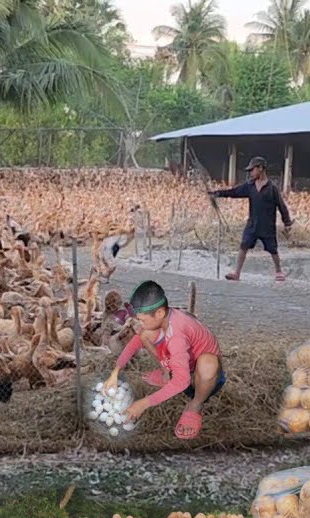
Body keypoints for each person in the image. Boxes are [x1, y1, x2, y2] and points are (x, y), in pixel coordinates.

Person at [105, 281, 224, 440]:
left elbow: (182, 382)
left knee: (208, 364)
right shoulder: (162, 320)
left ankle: (195, 405)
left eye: (143, 320)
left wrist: (143, 403)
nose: (140, 324)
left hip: (204, 375)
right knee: (144, 335)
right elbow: (134, 344)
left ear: (159, 313)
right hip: (183, 362)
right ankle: (167, 372)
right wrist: (115, 371)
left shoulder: (176, 335)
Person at [210, 156, 294, 283]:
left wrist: (287, 222)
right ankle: (237, 273)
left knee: (272, 249)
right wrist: (217, 193)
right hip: (252, 223)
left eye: (252, 169)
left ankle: (278, 271)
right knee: (243, 246)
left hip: (267, 225)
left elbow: (282, 206)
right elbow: (234, 192)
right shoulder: (249, 186)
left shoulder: (272, 189)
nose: (250, 173)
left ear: (260, 168)